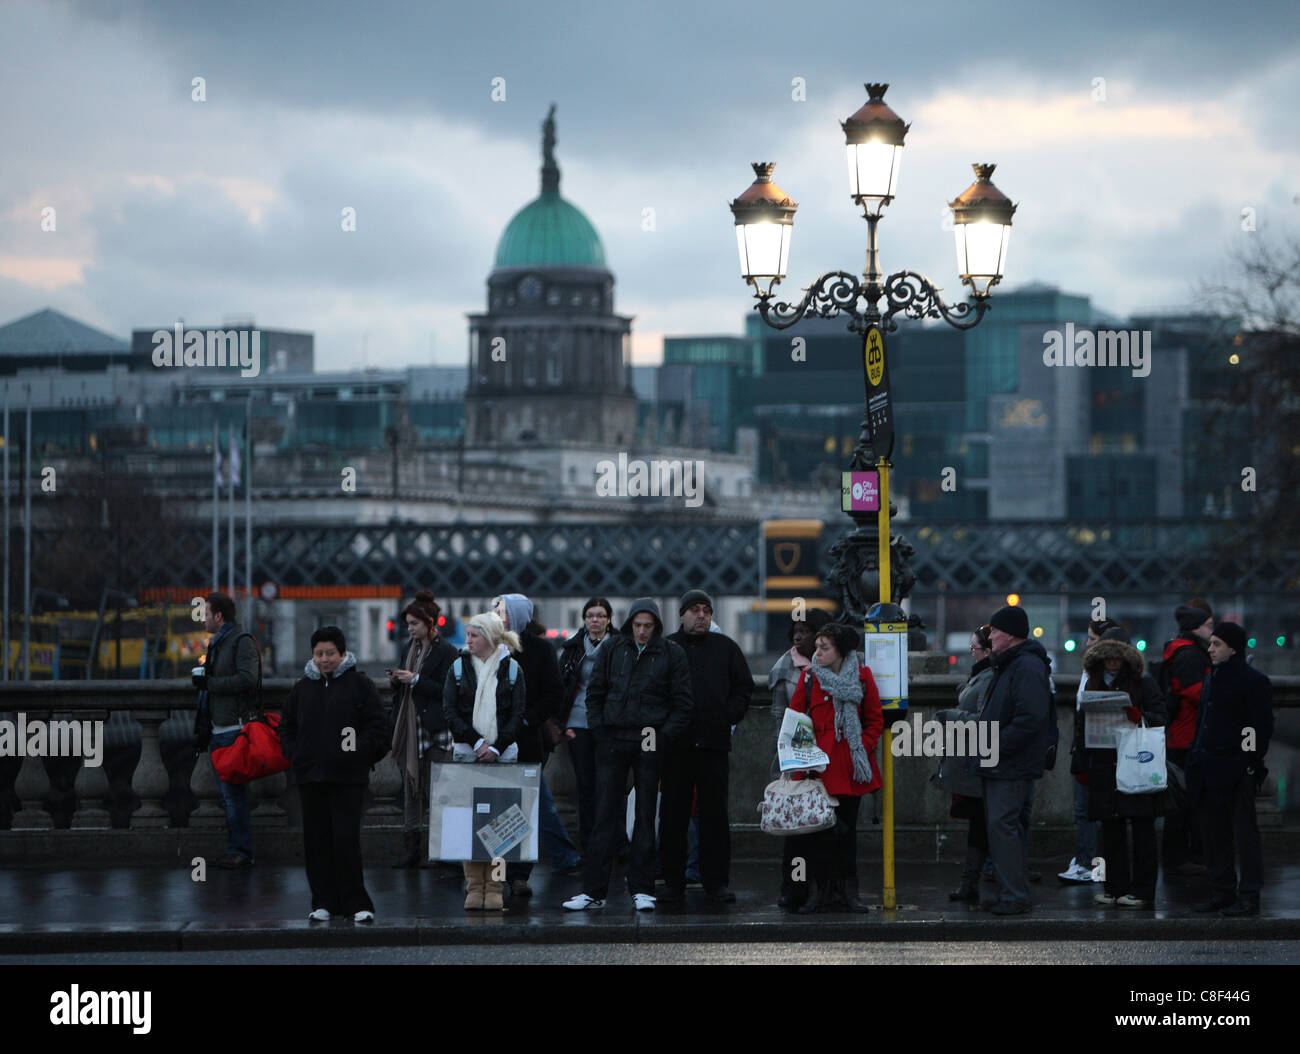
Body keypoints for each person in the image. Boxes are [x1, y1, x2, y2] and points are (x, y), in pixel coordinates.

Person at [563, 598, 693, 913]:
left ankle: (642, 887)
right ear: (630, 624)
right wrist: (601, 730)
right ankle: (594, 890)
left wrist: (662, 735)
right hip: (614, 735)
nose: (642, 632)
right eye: (638, 625)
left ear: (656, 626)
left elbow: (683, 701)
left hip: (648, 736)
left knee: (646, 813)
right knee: (605, 813)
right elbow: (595, 693)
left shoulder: (671, 653)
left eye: (648, 626)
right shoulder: (614, 649)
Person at [279, 626, 390, 923]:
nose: (324, 659)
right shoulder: (302, 688)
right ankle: (323, 900)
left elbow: (378, 728)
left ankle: (356, 902)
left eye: (330, 654)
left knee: (345, 840)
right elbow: (286, 727)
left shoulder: (360, 686)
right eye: (319, 654)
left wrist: (357, 753)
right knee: (316, 842)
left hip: (348, 778)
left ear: (342, 654)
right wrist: (296, 754)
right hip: (310, 776)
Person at [660, 589, 754, 905]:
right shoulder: (668, 648)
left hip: (713, 744)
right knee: (673, 815)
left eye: (707, 611)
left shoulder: (726, 648)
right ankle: (672, 882)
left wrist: (728, 715)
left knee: (714, 817)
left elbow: (743, 688)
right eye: (695, 610)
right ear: (682, 614)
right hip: (676, 746)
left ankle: (716, 882)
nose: (701, 616)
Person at [788, 622, 883, 913]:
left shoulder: (862, 678)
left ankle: (848, 891)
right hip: (818, 771)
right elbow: (795, 722)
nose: (817, 652)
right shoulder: (808, 679)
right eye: (816, 646)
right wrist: (806, 759)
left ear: (841, 652)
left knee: (847, 834)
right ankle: (821, 891)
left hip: (851, 770)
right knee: (819, 835)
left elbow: (874, 721)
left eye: (824, 647)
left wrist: (860, 749)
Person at [492, 593, 581, 897]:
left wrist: (527, 720)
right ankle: (499, 872)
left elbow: (553, 694)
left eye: (502, 611)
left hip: (527, 743)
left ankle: (518, 874)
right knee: (499, 809)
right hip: (493, 743)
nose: (497, 615)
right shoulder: (488, 645)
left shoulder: (541, 650)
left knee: (524, 811)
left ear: (516, 616)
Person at [441, 612, 527, 912]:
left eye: (474, 635)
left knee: (501, 828)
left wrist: (497, 746)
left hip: (502, 756)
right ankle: (474, 887)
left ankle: (495, 887)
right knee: (469, 825)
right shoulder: (458, 668)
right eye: (468, 635)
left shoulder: (513, 670)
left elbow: (518, 715)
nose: (468, 640)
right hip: (468, 753)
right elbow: (450, 711)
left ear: (489, 638)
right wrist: (478, 743)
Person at [1076, 629, 1167, 908]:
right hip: (1104, 764)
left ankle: (1142, 890)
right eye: (1108, 658)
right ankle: (1114, 887)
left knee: (1142, 828)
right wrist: (1080, 765)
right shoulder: (1092, 684)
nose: (1113, 663)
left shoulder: (1143, 684)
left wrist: (1141, 716)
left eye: (1118, 658)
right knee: (1110, 829)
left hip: (1133, 762)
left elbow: (1162, 717)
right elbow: (1080, 728)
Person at [1188, 621, 1273, 917]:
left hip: (1234, 768)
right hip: (1210, 765)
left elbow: (1257, 728)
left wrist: (1248, 763)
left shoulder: (1252, 681)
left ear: (1233, 648)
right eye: (1210, 643)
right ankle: (1223, 892)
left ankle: (1248, 895)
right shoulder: (1215, 677)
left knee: (1243, 834)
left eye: (1217, 644)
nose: (1210, 649)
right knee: (1215, 834)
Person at [975, 604, 1053, 916]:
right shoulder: (1014, 664)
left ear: (1009, 634)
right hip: (1004, 762)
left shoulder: (1025, 667)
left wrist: (994, 746)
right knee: (1005, 828)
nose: (989, 637)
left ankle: (1015, 895)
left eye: (993, 631)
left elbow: (1029, 720)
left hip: (1010, 764)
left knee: (1003, 827)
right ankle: (1012, 891)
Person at [389, 590, 458, 868]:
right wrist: (398, 680)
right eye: (408, 624)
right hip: (410, 726)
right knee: (411, 791)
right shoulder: (410, 647)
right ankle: (411, 851)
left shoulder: (447, 651)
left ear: (430, 623)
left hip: (434, 730)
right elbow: (405, 689)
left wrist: (415, 679)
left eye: (414, 624)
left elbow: (448, 691)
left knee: (438, 793)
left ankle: (437, 851)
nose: (410, 629)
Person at [768, 609, 832, 910]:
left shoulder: (834, 664)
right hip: (798, 759)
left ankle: (825, 890)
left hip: (830, 759)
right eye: (795, 629)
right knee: (797, 830)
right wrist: (785, 755)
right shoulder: (785, 666)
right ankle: (794, 889)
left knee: (826, 828)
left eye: (805, 630)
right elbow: (779, 715)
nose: (798, 636)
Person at [194, 591, 261, 869]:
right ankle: (238, 849)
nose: (203, 619)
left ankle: (240, 851)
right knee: (229, 797)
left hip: (234, 728)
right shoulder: (218, 643)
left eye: (206, 613)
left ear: (219, 616)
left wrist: (210, 684)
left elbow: (248, 679)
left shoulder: (239, 642)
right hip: (218, 727)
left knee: (234, 798)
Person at [935, 624, 995, 904]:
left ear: (987, 650)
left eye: (974, 648)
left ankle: (975, 884)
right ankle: (971, 883)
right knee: (979, 825)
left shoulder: (989, 677)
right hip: (972, 761)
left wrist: (950, 715)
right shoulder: (981, 676)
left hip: (979, 762)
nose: (971, 653)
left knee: (983, 826)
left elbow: (983, 722)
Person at [1059, 617, 1118, 884]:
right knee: (1086, 809)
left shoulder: (1099, 676)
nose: (1086, 643)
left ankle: (1087, 862)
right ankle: (1089, 860)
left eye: (1092, 639)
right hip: (1088, 749)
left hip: (1095, 752)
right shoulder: (1092, 672)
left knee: (1086, 809)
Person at [557, 597, 617, 858]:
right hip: (578, 722)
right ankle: (588, 844)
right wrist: (561, 723)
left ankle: (610, 842)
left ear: (608, 620)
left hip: (607, 722)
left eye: (601, 615)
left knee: (608, 784)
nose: (595, 620)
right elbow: (560, 686)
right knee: (585, 785)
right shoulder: (572, 648)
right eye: (591, 615)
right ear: (584, 620)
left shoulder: (617, 647)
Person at [1160, 598, 1214, 874]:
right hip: (1188, 736)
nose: (1211, 630)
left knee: (1181, 801)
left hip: (1180, 736)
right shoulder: (1191, 655)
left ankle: (1177, 855)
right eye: (1208, 625)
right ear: (1195, 627)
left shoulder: (1180, 651)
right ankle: (1185, 855)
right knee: (1189, 801)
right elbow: (1195, 693)